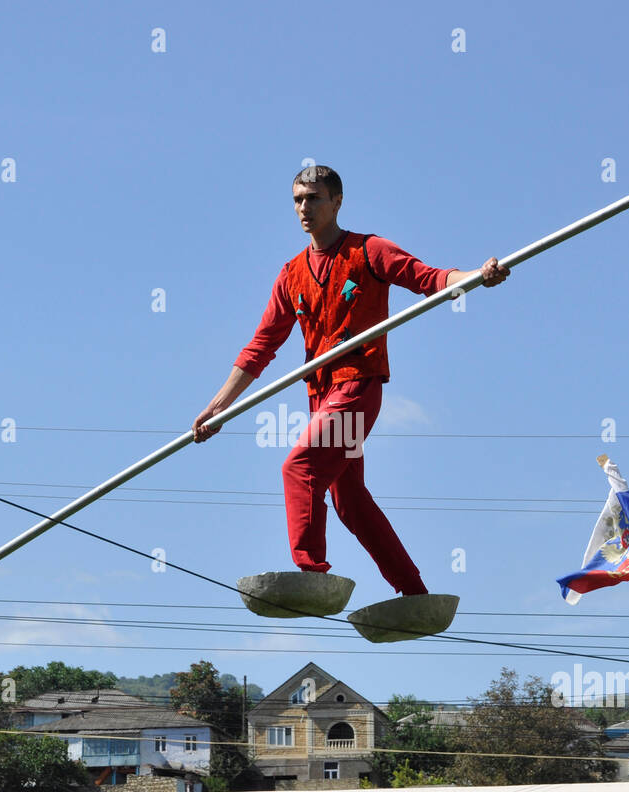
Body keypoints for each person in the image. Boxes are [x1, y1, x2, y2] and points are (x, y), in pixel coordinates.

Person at [192, 165, 509, 597]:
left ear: (337, 202)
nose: (304, 208)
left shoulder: (368, 250)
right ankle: (414, 593)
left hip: (357, 387)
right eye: (298, 200)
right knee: (349, 500)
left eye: (314, 199)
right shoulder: (291, 274)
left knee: (300, 468)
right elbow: (261, 346)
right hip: (321, 396)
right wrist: (218, 406)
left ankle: (311, 575)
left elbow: (429, 279)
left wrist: (475, 276)